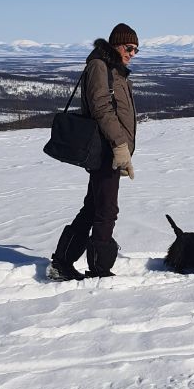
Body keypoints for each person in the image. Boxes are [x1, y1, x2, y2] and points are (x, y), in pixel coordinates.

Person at [48, 23, 138, 280]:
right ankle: (99, 270)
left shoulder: (114, 69)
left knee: (93, 207)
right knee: (106, 210)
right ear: (115, 44)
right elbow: (102, 109)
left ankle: (62, 262)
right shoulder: (100, 66)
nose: (132, 53)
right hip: (106, 150)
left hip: (110, 148)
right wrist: (120, 145)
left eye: (136, 50)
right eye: (128, 47)